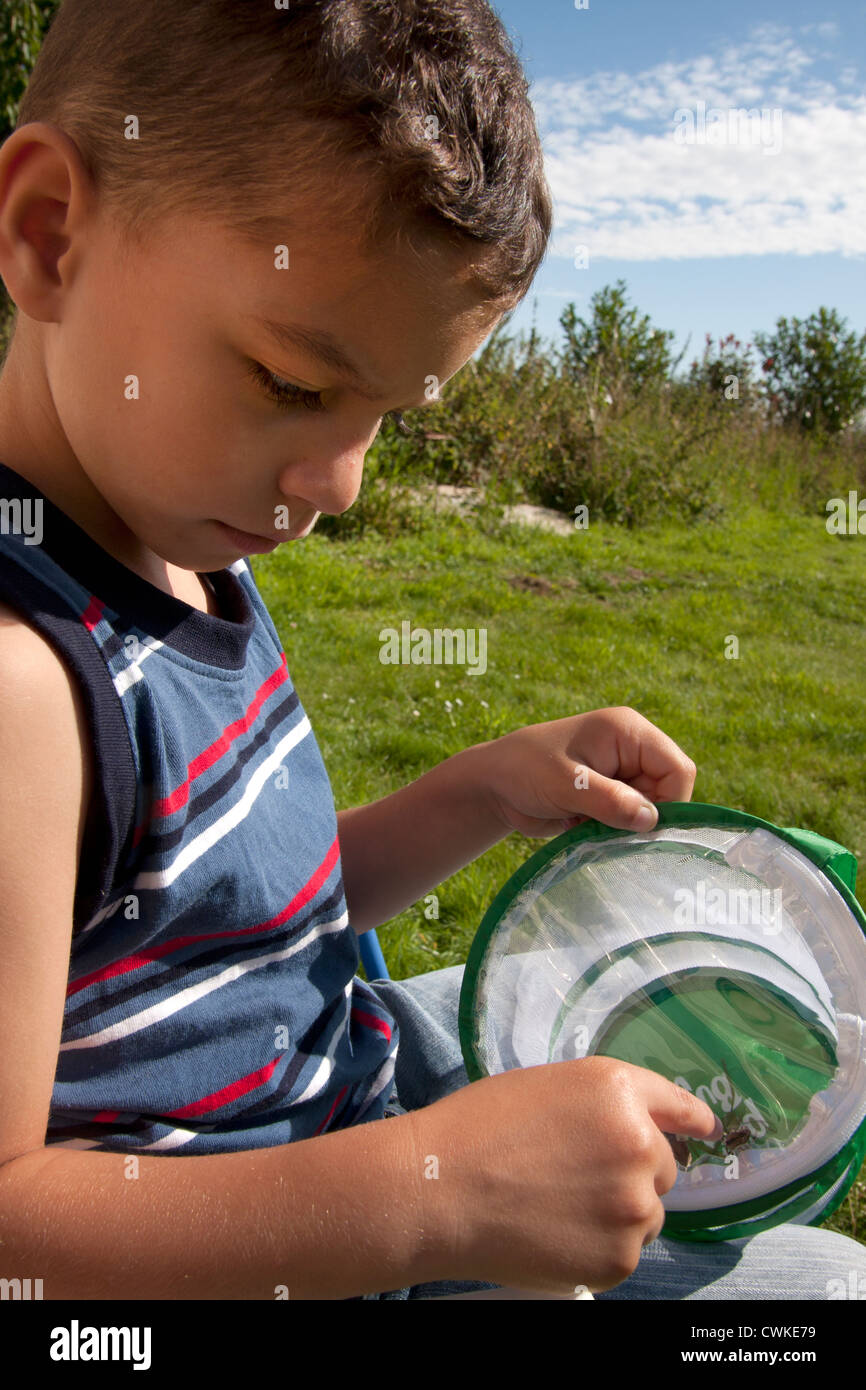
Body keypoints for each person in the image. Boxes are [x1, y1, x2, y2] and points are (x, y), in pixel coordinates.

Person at [0, 0, 861, 1303]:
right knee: (809, 1289)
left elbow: (241, 921)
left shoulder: (194, 542)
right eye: (295, 382)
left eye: (385, 416)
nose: (339, 482)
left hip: (350, 1081)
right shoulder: (25, 679)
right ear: (49, 232)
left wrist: (475, 789)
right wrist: (433, 1191)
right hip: (297, 1240)